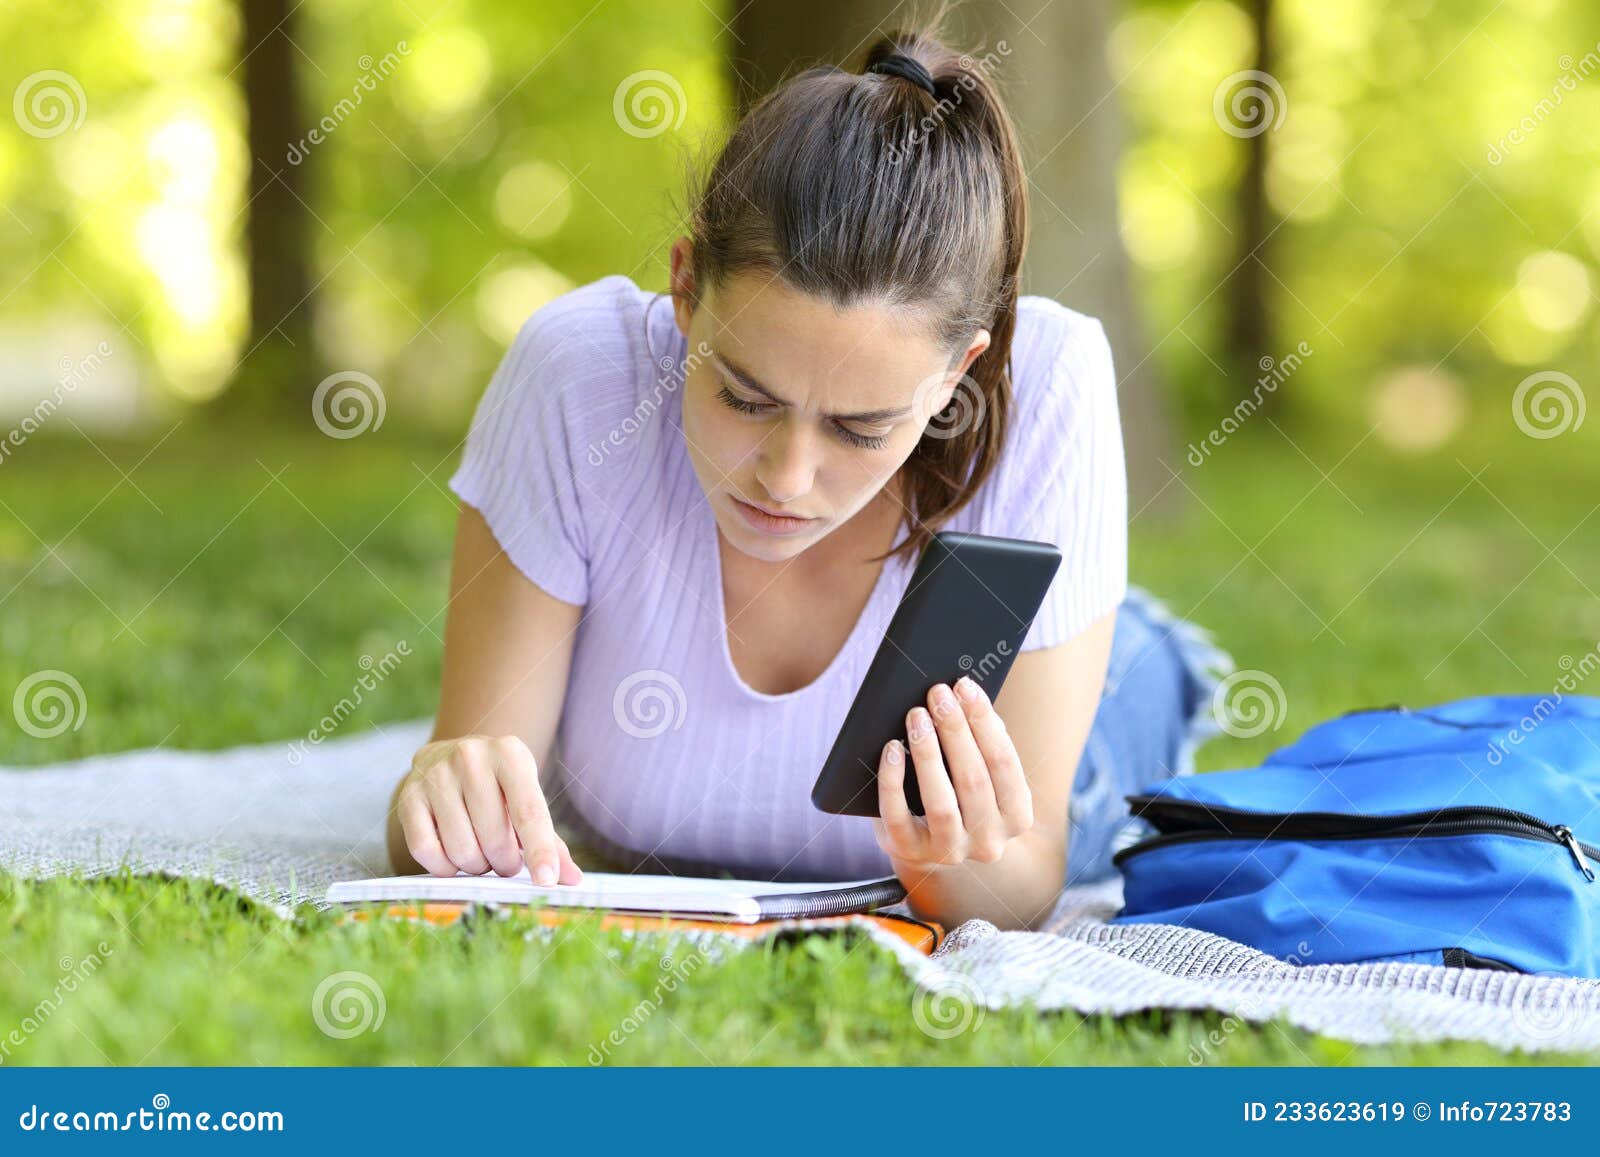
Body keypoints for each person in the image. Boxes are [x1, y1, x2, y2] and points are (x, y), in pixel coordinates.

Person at [385, 21, 1228, 931]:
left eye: (862, 428)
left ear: (958, 373)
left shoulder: (1050, 382)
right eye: (744, 398)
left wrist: (943, 866)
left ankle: (1146, 643)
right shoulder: (579, 376)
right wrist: (445, 799)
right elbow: (450, 810)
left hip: (1096, 704)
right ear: (683, 288)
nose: (785, 479)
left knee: (1125, 711)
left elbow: (1024, 882)